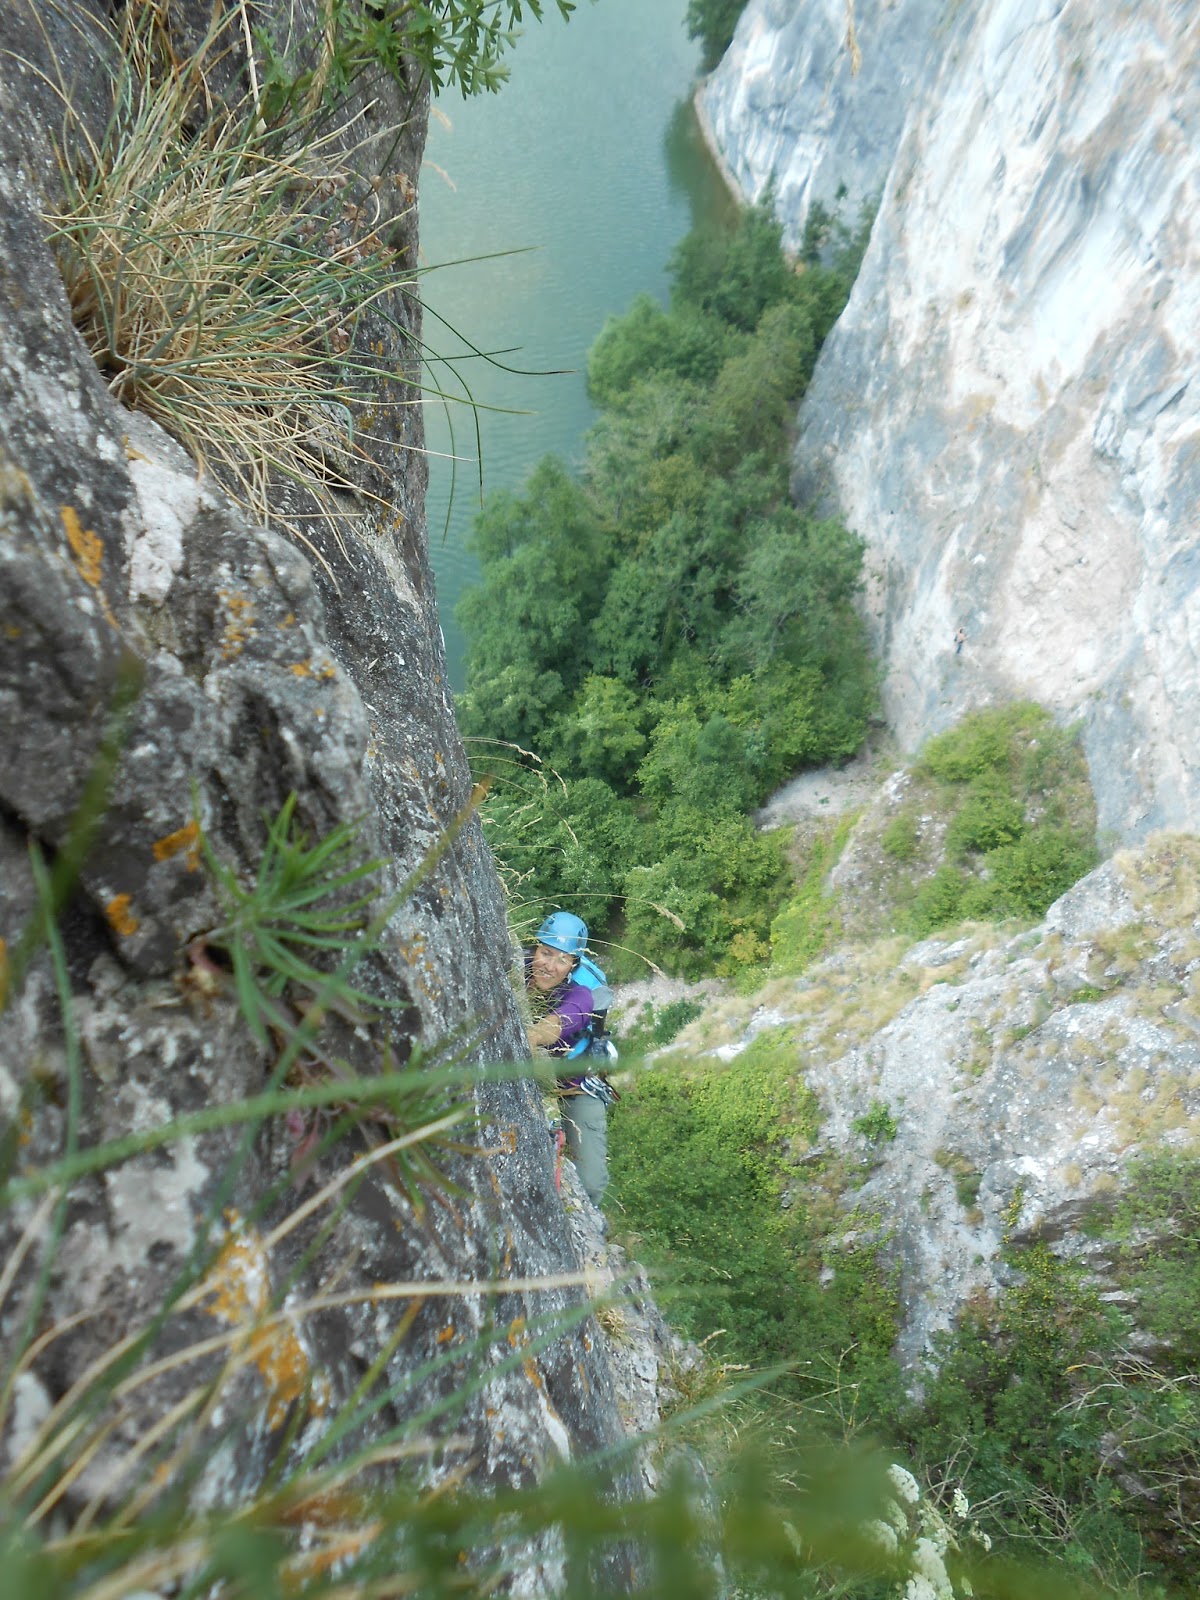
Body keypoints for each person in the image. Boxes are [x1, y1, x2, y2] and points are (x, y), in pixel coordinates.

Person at [524, 911, 610, 1207]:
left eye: (562, 959)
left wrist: (530, 1037)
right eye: (546, 953)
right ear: (534, 948)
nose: (549, 966)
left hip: (575, 1085)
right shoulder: (515, 969)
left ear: (573, 964)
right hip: (542, 1079)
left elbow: (559, 1023)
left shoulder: (581, 995)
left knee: (591, 1183)